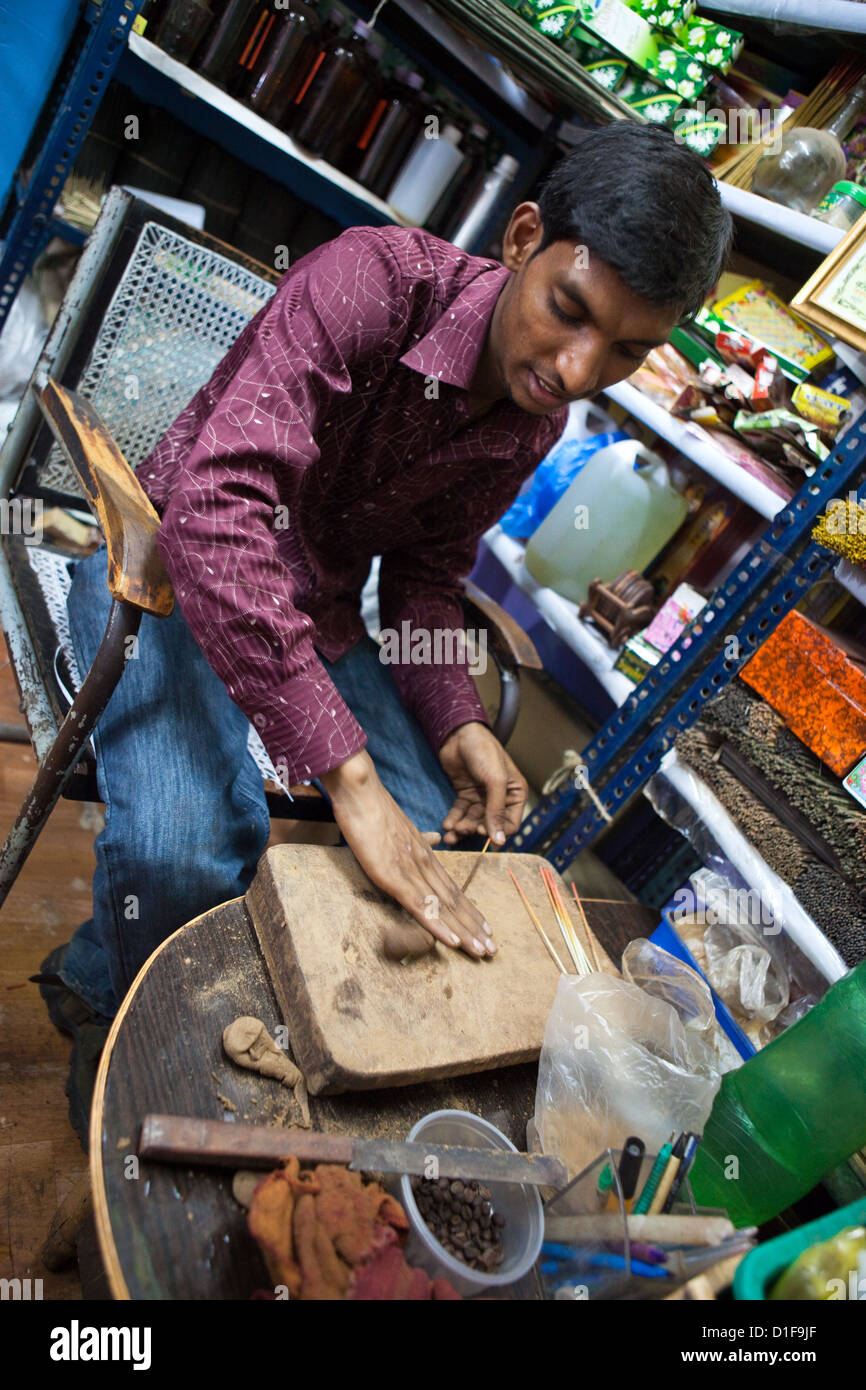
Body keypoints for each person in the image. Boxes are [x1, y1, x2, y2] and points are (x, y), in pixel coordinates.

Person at [35, 123, 732, 1145]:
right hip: (172, 575)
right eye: (568, 312)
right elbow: (217, 510)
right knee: (192, 853)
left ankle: (260, 1027)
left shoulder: (532, 419)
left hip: (316, 618)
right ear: (521, 237)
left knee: (448, 851)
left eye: (626, 350)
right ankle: (110, 1010)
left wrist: (455, 723)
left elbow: (421, 575)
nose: (579, 368)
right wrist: (346, 777)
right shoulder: (366, 283)